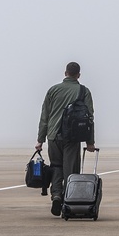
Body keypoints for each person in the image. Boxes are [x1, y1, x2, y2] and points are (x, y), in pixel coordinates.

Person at [36, 62, 97, 216]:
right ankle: (68, 202)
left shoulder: (53, 90)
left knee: (56, 166)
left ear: (65, 73)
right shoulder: (84, 91)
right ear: (79, 75)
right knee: (70, 171)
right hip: (72, 137)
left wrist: (40, 139)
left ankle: (56, 195)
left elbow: (45, 116)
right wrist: (90, 142)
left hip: (53, 136)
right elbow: (89, 118)